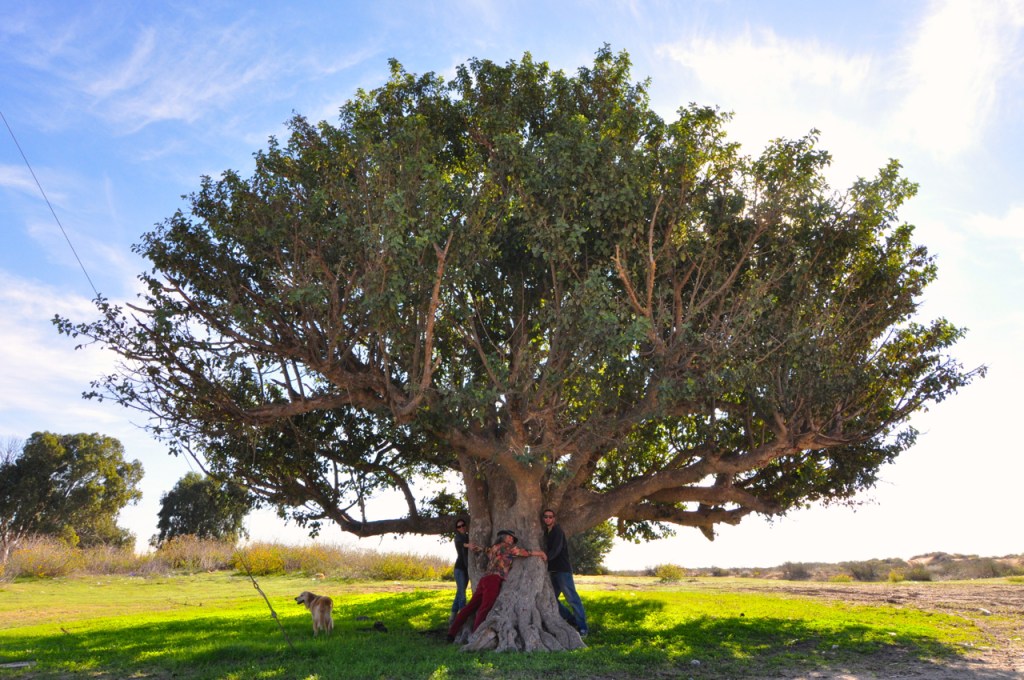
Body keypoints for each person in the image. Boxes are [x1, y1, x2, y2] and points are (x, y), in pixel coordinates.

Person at [446, 529, 546, 641]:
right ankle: (476, 635)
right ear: (503, 537)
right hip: (493, 580)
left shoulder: (493, 547)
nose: (512, 539)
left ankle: (452, 633)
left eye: (512, 538)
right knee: (485, 608)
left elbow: (484, 550)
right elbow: (525, 552)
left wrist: (477, 547)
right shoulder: (507, 547)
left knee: (470, 607)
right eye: (509, 537)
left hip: (484, 580)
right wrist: (541, 553)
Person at [542, 508, 589, 636]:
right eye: (545, 517)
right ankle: (571, 618)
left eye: (550, 517)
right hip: (553, 571)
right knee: (551, 599)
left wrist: (547, 557)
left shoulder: (558, 531)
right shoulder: (547, 532)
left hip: (562, 570)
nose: (548, 519)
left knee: (572, 598)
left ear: (554, 518)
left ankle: (582, 627)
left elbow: (557, 549)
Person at [449, 518, 470, 624]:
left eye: (463, 525)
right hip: (459, 569)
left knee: (459, 593)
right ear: (457, 529)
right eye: (459, 526)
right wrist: (469, 545)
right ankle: (462, 617)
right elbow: (461, 544)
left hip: (467, 569)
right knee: (462, 594)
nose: (461, 527)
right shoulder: (458, 538)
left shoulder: (468, 536)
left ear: (465, 526)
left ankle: (452, 618)